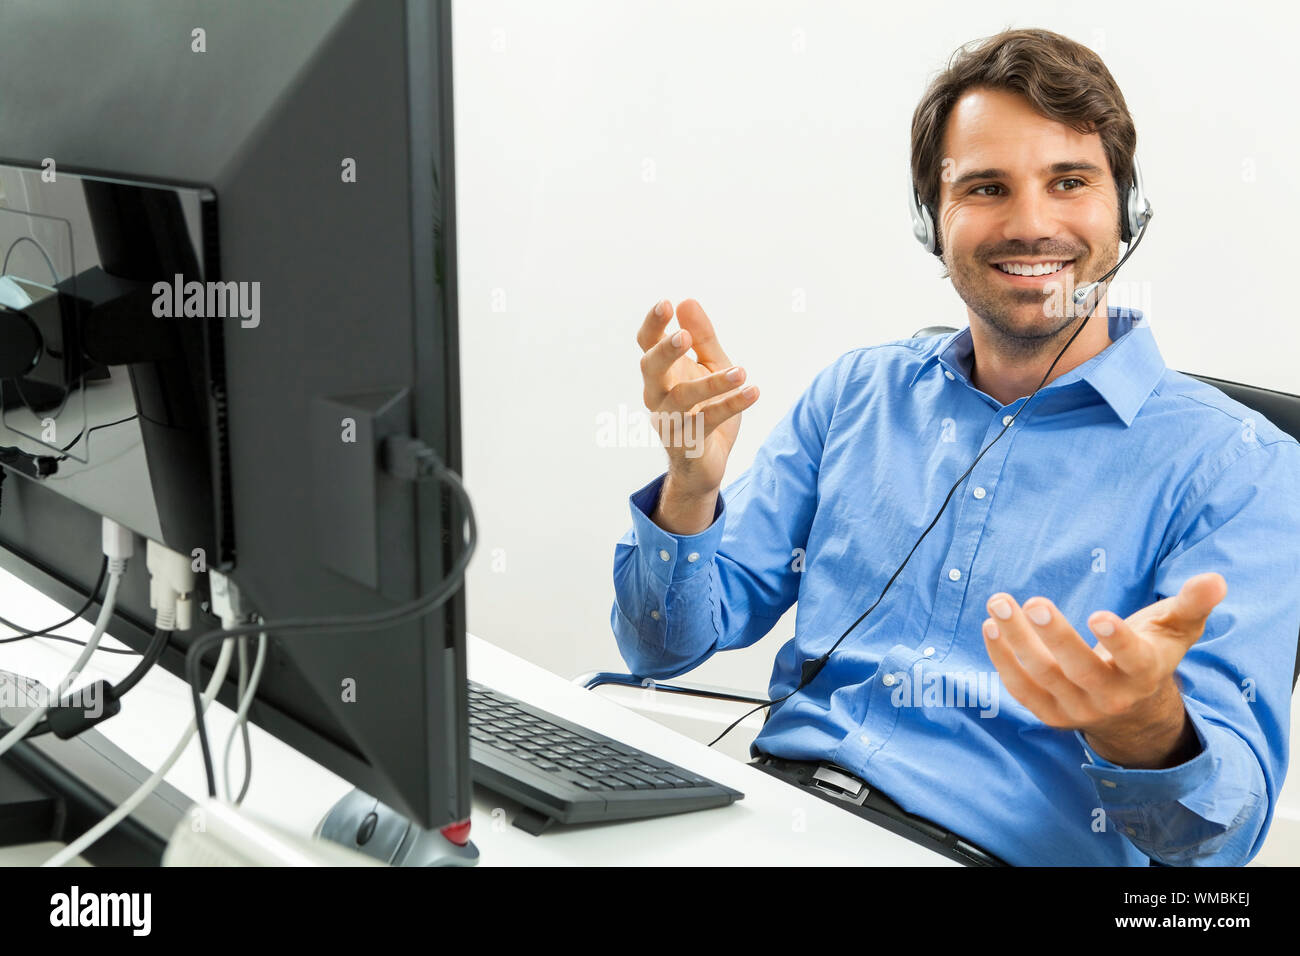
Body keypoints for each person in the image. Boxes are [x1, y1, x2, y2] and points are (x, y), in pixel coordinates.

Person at [610, 27, 1300, 866]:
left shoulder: (1243, 469)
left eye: (1070, 181)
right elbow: (659, 646)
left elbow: (1214, 845)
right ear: (930, 220)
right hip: (770, 822)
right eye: (986, 187)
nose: (1031, 224)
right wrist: (689, 487)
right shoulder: (856, 394)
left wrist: (1140, 722)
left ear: (1128, 209)